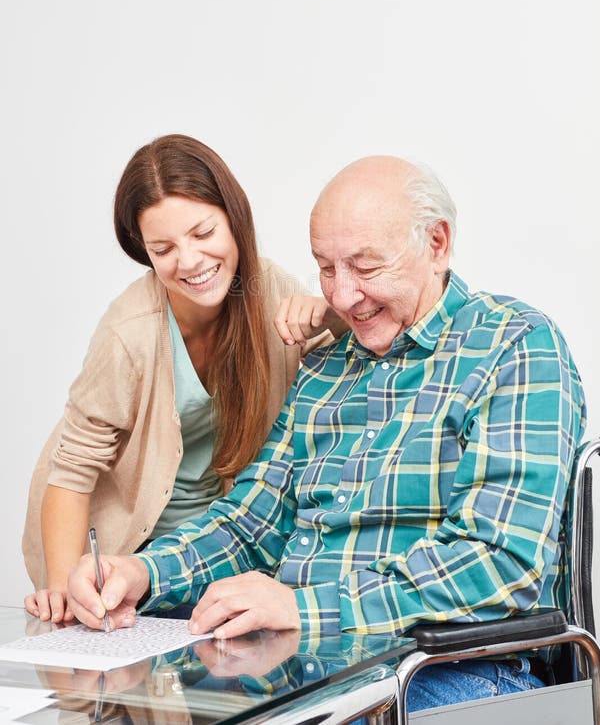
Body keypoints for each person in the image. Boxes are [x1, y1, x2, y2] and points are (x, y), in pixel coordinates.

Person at [67, 155, 586, 713]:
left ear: (437, 244)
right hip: (298, 663)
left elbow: (499, 563)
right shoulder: (324, 367)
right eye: (325, 268)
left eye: (365, 267)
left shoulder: (516, 346)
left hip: (441, 668)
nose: (340, 298)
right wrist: (143, 570)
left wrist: (303, 608)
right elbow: (252, 521)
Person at [23, 134, 344, 626]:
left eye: (202, 232)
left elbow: (342, 374)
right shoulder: (129, 333)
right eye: (164, 248)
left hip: (217, 549)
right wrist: (64, 587)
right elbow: (69, 473)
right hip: (127, 554)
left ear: (234, 217)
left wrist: (330, 316)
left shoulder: (267, 288)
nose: (190, 261)